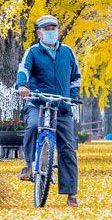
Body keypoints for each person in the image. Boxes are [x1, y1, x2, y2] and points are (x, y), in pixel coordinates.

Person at [16, 14, 82, 208]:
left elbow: (76, 77)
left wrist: (73, 96)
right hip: (38, 102)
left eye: (54, 28)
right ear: (39, 33)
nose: (51, 32)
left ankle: (71, 193)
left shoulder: (67, 52)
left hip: (62, 106)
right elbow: (24, 70)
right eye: (47, 29)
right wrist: (22, 86)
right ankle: (28, 164)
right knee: (33, 125)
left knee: (68, 149)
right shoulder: (33, 52)